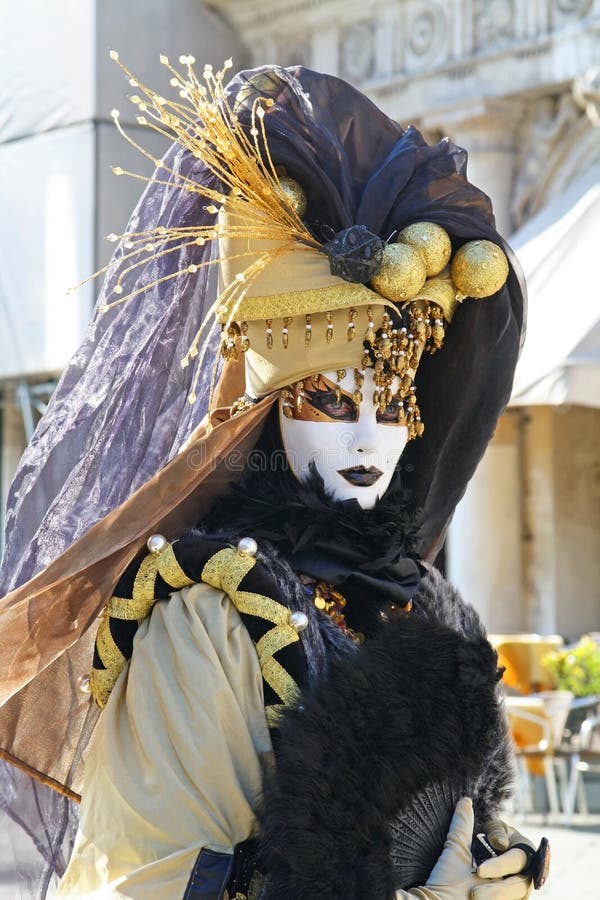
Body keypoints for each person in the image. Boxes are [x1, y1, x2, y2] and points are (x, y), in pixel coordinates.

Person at [0, 59, 544, 898]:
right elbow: (158, 881)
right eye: (330, 401)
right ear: (272, 408)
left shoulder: (428, 607)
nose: (368, 435)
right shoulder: (212, 616)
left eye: (392, 401)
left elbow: (461, 830)